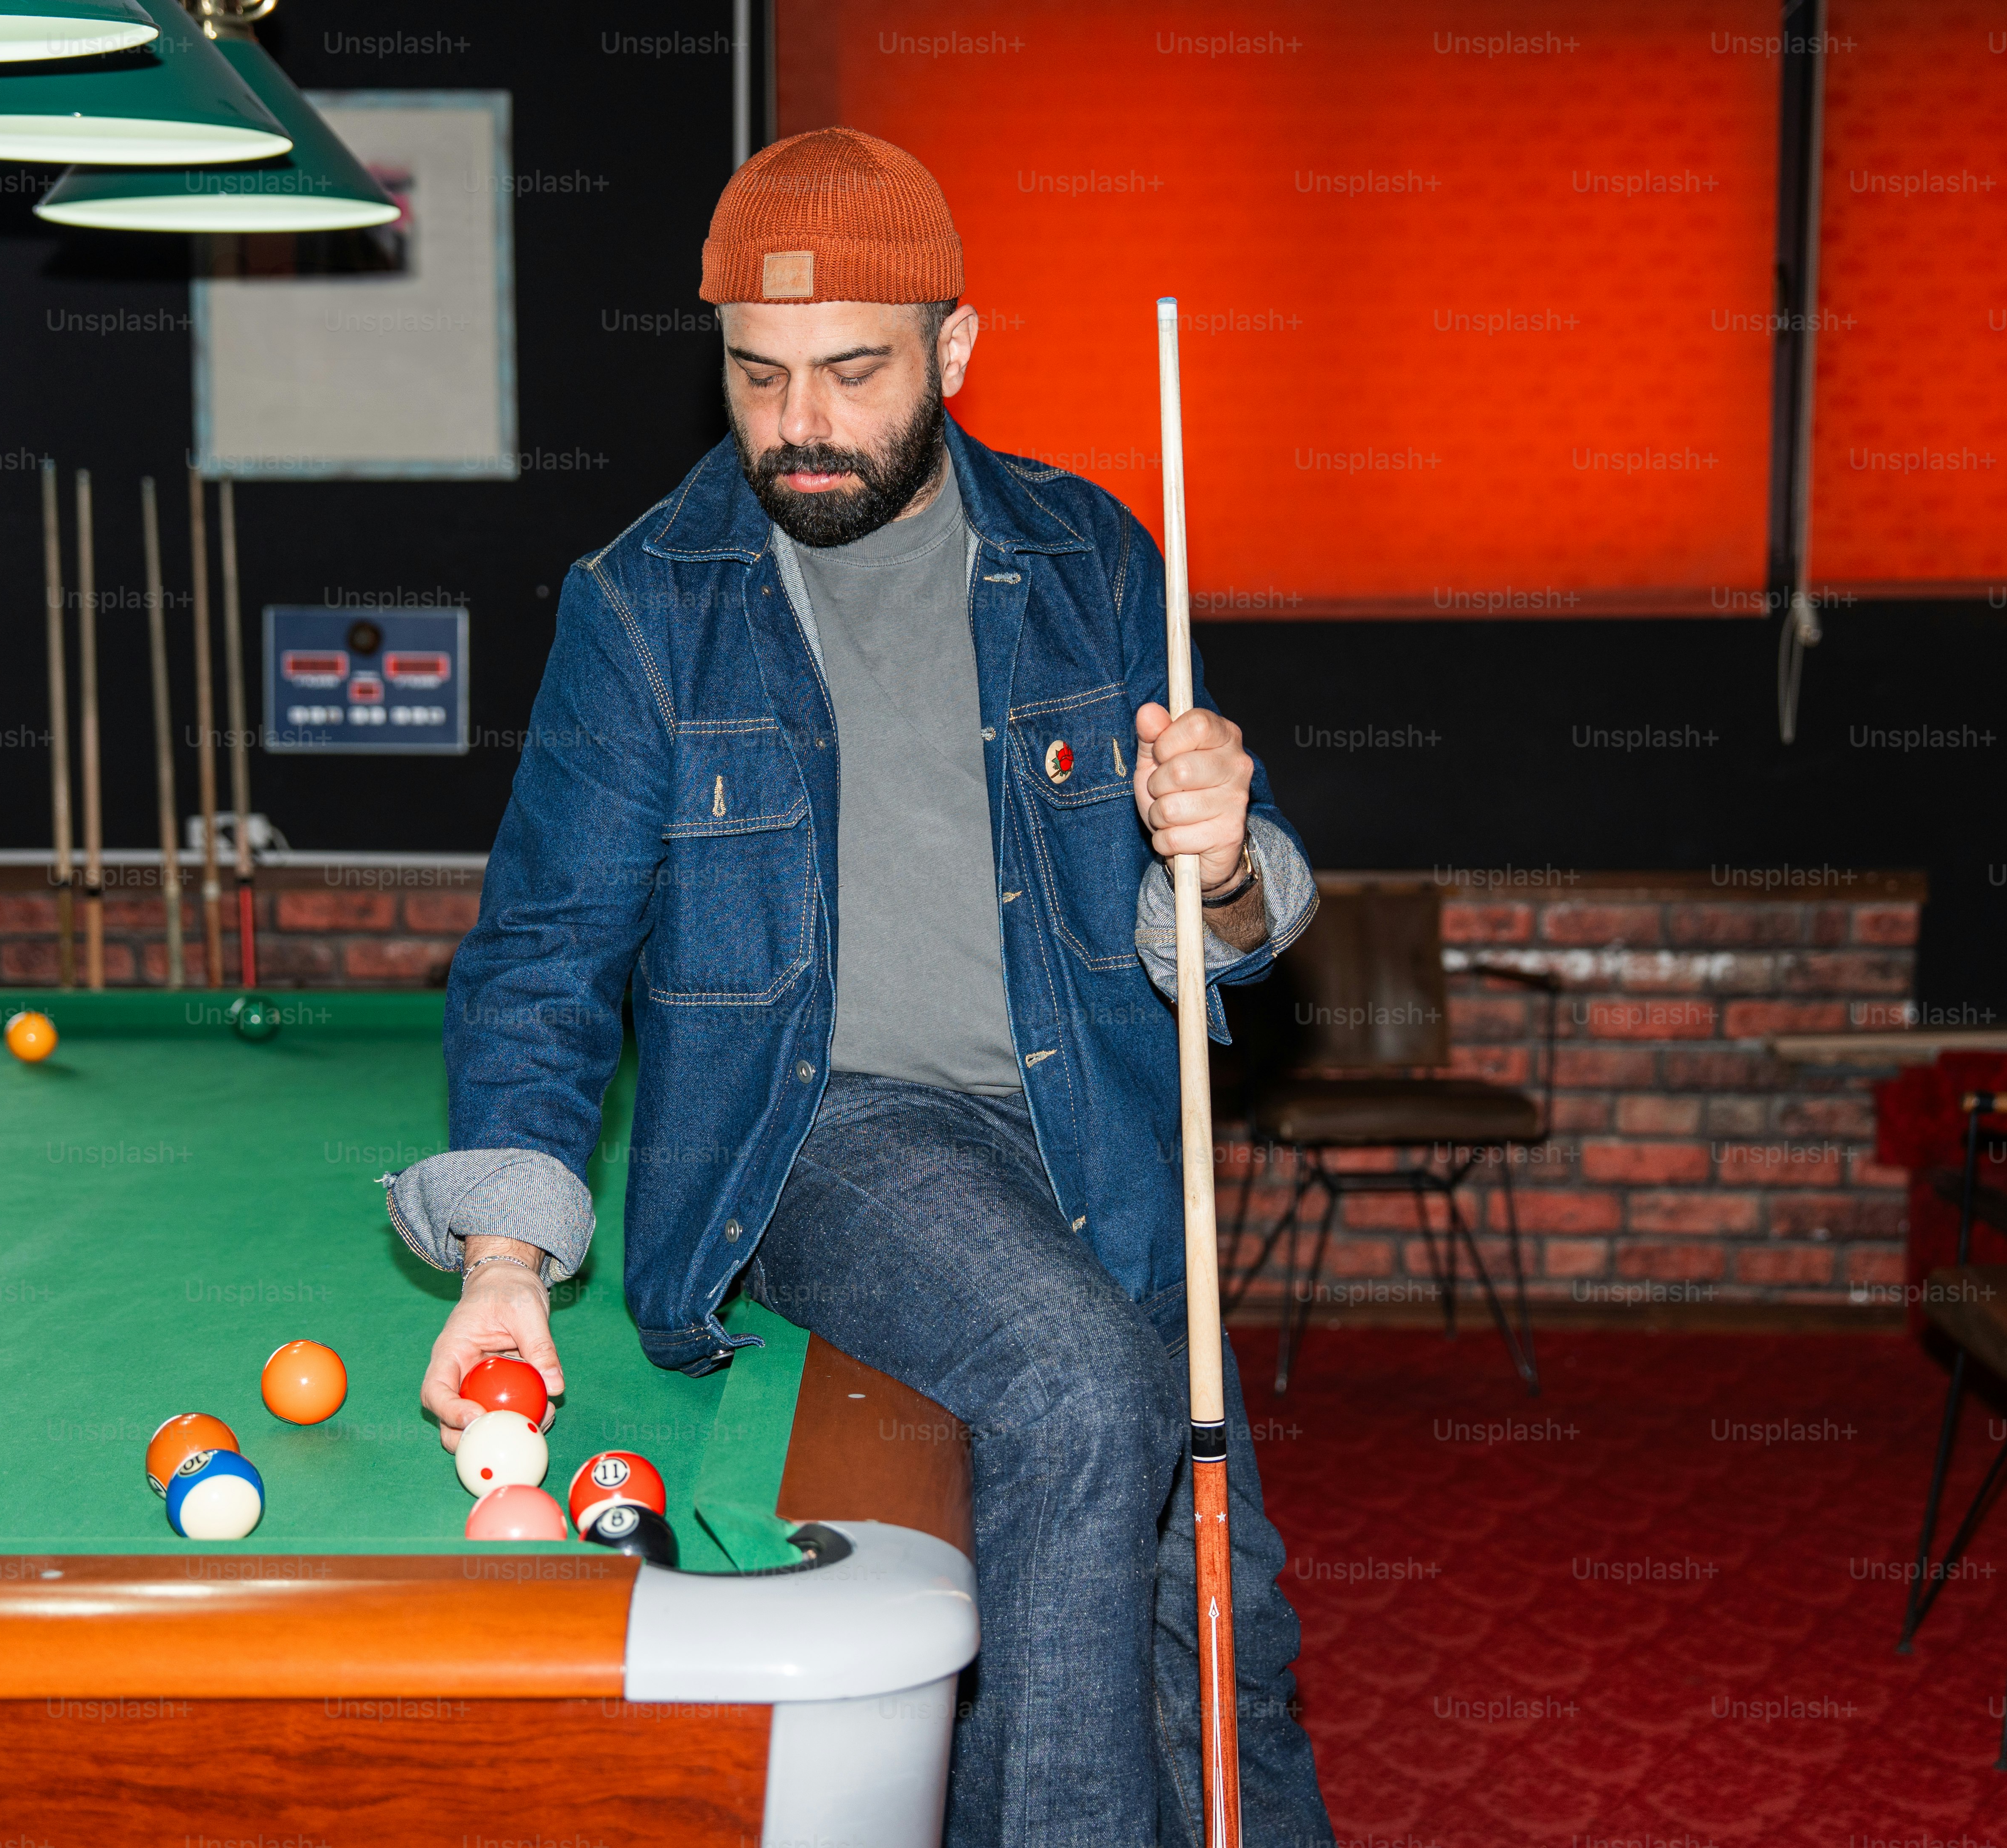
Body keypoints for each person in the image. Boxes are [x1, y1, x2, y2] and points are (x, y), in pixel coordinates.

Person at [387, 126, 1334, 1848]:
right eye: (757, 376)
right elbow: (544, 951)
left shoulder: (1092, 559)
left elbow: (1231, 907)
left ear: (951, 355)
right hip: (828, 1139)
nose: (798, 425)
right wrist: (506, 1260)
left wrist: (1220, 856)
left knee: (1222, 1638)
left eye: (848, 372)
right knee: (1074, 1386)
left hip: (1108, 1144)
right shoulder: (646, 606)